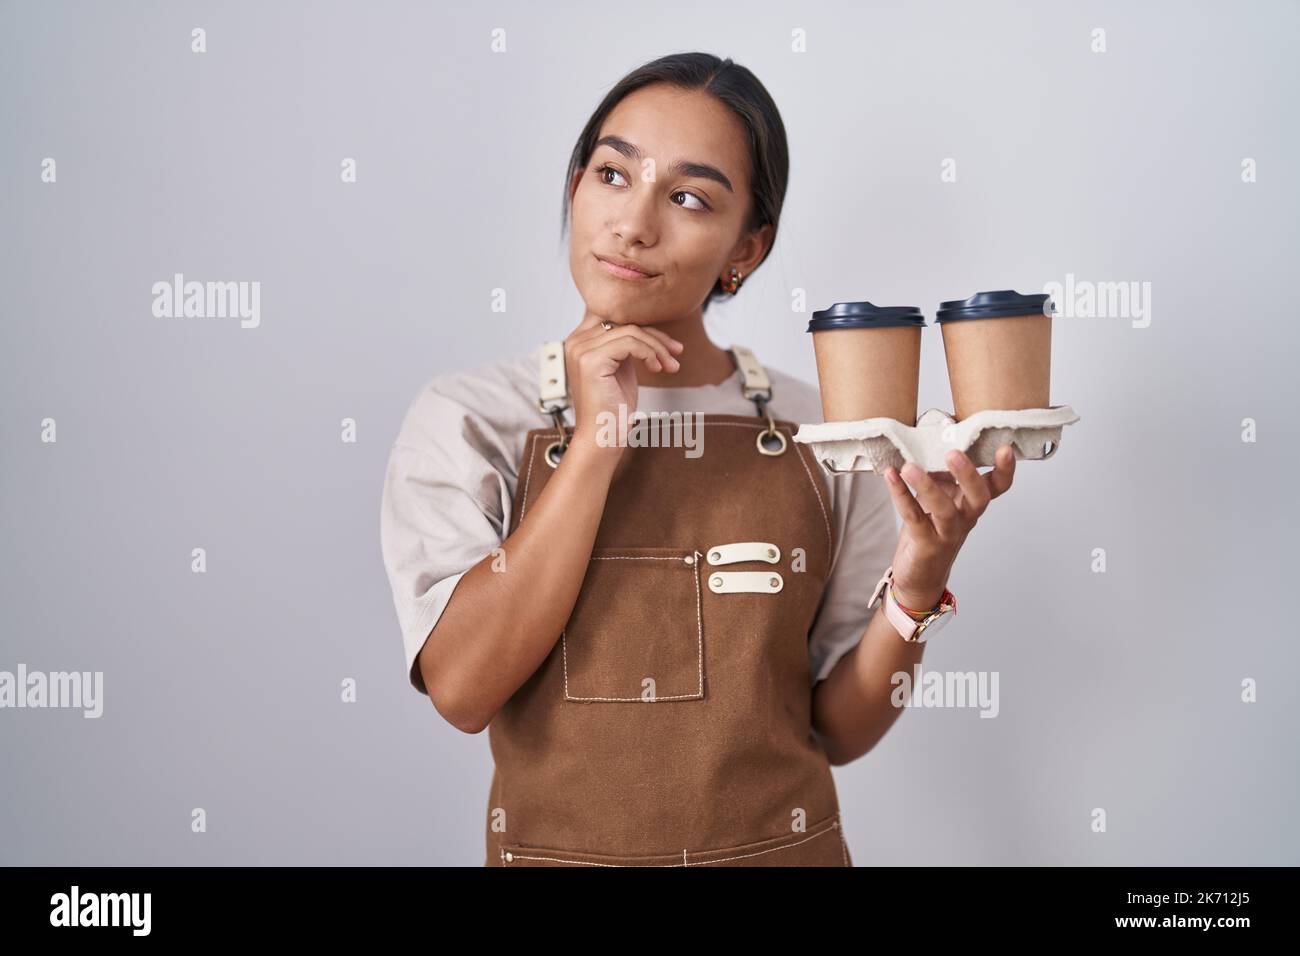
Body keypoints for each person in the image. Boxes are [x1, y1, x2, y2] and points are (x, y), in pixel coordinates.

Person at [379, 52, 1016, 867]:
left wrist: (921, 579)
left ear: (745, 249)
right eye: (613, 174)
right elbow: (462, 690)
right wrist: (595, 449)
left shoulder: (820, 430)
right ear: (575, 186)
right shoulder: (470, 420)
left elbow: (839, 728)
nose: (634, 224)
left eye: (687, 197)